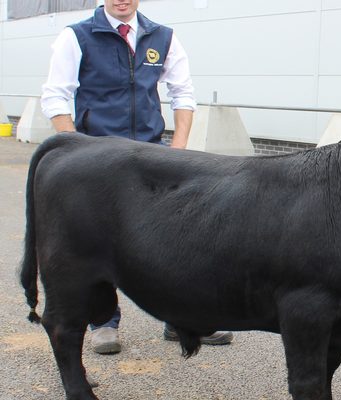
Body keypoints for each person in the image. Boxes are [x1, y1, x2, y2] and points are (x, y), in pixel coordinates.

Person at [41, 0, 233, 354]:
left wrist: (177, 152)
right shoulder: (76, 36)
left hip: (151, 157)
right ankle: (103, 323)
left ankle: (181, 319)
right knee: (97, 244)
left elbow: (182, 94)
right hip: (96, 159)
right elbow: (56, 97)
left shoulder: (163, 37)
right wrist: (77, 149)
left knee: (176, 242)